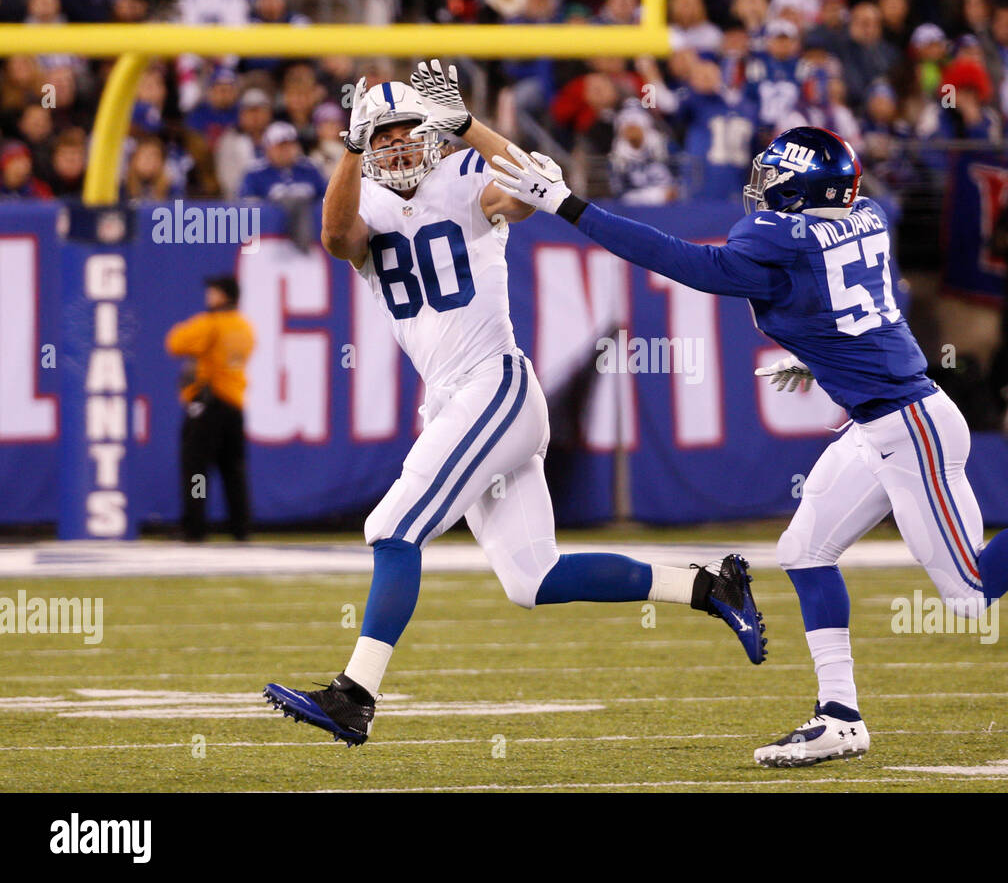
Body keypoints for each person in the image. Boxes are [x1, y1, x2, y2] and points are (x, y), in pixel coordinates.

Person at [490, 125, 1008, 768]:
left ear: (804, 194)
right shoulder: (867, 217)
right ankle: (840, 715)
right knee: (802, 550)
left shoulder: (782, 240)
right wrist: (818, 360)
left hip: (908, 427)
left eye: (777, 181)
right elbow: (857, 311)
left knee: (970, 592)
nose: (762, 189)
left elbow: (680, 261)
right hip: (883, 417)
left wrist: (567, 204)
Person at [263, 62, 766, 747]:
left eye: (408, 132)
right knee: (535, 578)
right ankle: (711, 588)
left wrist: (468, 124)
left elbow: (535, 189)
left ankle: (355, 695)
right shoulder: (366, 205)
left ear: (431, 134)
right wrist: (351, 154)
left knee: (392, 527)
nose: (399, 148)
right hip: (453, 403)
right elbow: (334, 237)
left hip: (491, 385)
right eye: (382, 139)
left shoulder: (464, 174)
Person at [165, 275, 256, 543]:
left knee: (196, 471)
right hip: (234, 405)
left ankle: (195, 527)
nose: (209, 296)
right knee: (234, 470)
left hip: (208, 405)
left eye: (213, 292)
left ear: (223, 295)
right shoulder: (244, 327)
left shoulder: (211, 324)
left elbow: (175, 342)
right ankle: (240, 528)